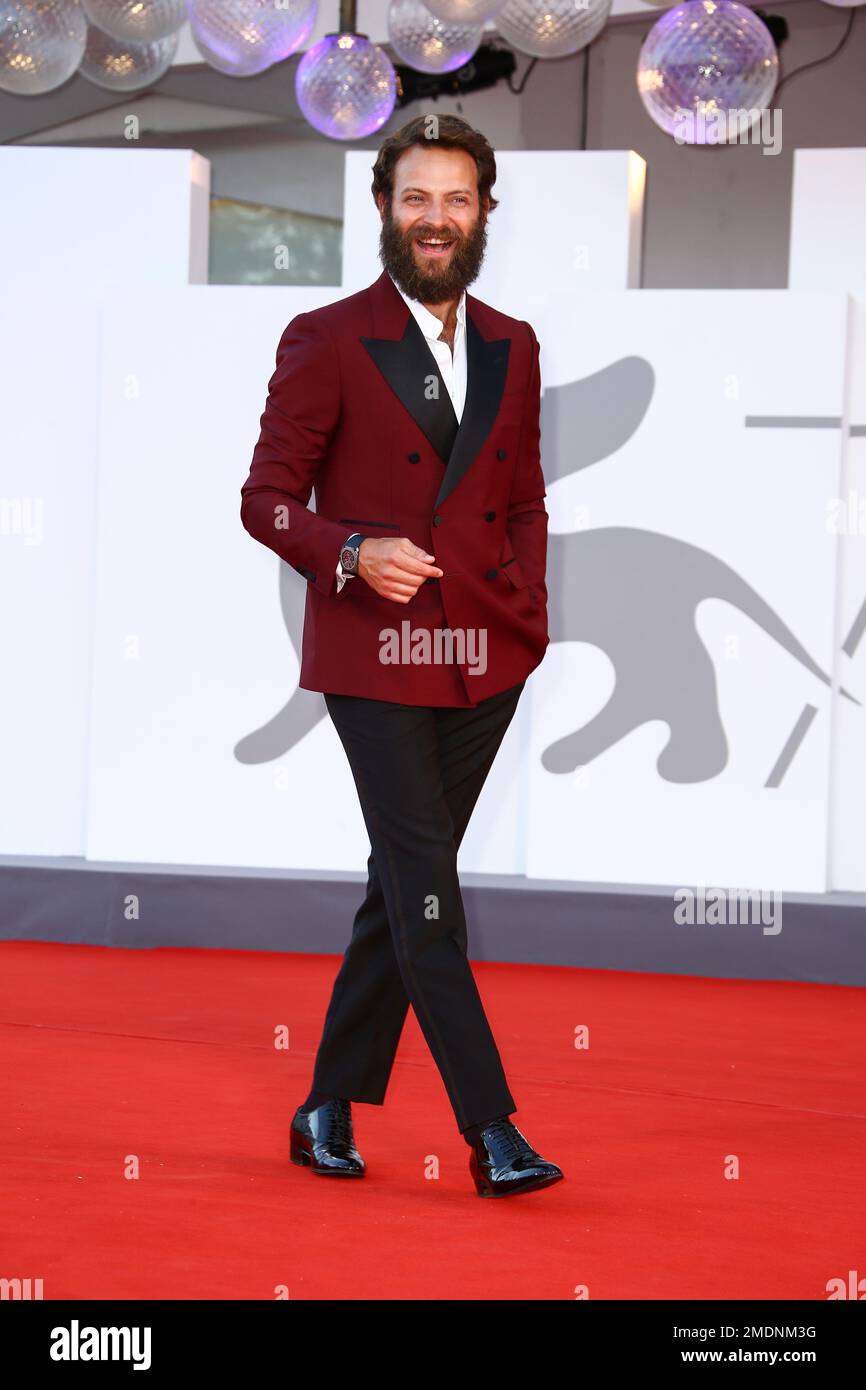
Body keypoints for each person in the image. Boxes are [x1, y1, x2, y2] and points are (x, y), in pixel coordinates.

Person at [240, 114, 563, 1198]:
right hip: (375, 658)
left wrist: (528, 613)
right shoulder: (325, 338)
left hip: (487, 657)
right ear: (383, 207)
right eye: (415, 197)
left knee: (400, 881)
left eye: (455, 199)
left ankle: (324, 1100)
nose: (435, 218)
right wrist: (346, 552)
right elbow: (265, 501)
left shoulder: (513, 342)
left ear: (482, 214)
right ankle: (492, 1129)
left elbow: (522, 498)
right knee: (429, 885)